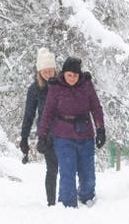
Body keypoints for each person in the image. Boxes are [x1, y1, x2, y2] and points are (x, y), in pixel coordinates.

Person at [37, 56, 106, 208]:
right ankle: (67, 205)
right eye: (69, 75)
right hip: (63, 136)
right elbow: (48, 113)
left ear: (79, 75)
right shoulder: (56, 87)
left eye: (75, 75)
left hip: (85, 135)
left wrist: (101, 129)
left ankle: (87, 199)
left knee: (87, 174)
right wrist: (42, 135)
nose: (72, 78)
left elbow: (96, 107)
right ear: (64, 73)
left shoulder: (86, 85)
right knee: (67, 172)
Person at [20, 47, 59, 206]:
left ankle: (68, 199)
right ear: (39, 72)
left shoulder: (63, 84)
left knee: (69, 168)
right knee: (52, 168)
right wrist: (24, 137)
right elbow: (29, 115)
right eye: (45, 72)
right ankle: (51, 202)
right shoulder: (35, 89)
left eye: (51, 71)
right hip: (46, 134)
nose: (48, 75)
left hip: (66, 132)